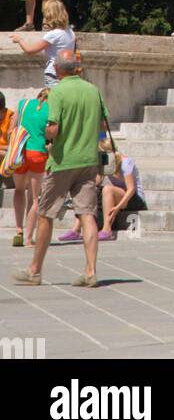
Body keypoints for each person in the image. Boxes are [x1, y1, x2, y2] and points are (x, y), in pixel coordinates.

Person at [13, 49, 106, 288]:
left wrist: (45, 133)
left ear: (57, 69)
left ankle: (35, 270)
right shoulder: (92, 90)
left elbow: (53, 128)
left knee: (46, 214)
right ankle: (90, 270)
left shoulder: (58, 93)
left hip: (63, 160)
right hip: (88, 159)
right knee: (87, 214)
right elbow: (103, 122)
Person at [59, 142, 148, 242]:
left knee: (107, 189)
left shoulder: (126, 162)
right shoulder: (106, 162)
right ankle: (76, 229)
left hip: (134, 198)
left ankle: (107, 230)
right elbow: (96, 181)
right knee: (88, 189)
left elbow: (131, 189)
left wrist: (117, 208)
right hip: (118, 195)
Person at [12, 88, 50, 247]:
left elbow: (11, 128)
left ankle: (19, 229)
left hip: (20, 150)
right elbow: (50, 134)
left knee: (19, 189)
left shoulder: (23, 104)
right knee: (34, 198)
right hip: (37, 152)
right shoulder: (51, 110)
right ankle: (28, 238)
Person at [10, 0, 76, 89]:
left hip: (54, 73)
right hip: (67, 73)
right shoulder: (70, 32)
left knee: (53, 100)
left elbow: (30, 50)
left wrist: (19, 40)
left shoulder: (53, 35)